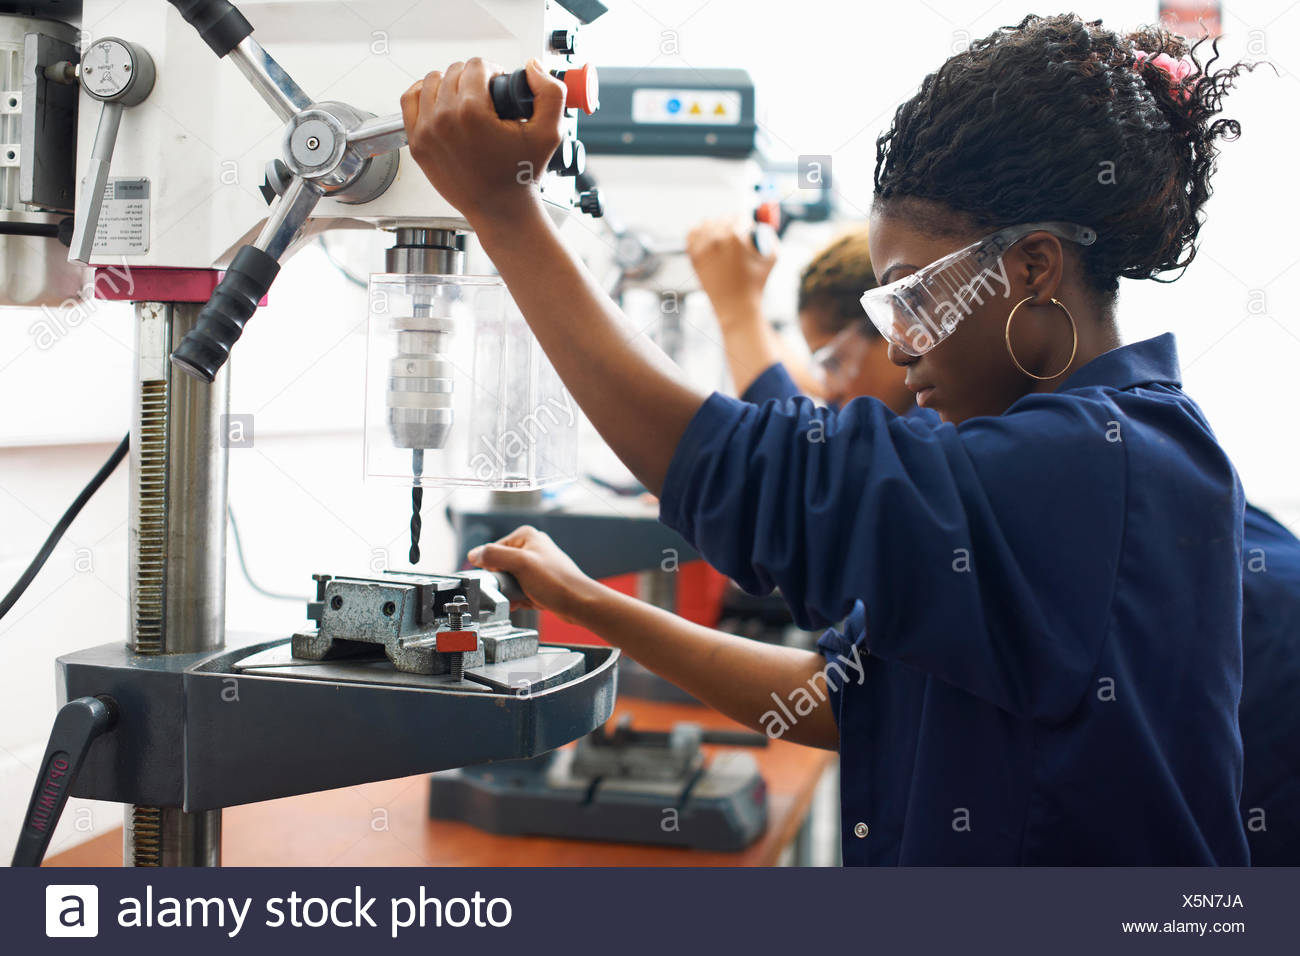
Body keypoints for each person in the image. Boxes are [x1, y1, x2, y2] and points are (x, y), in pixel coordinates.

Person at [401, 15, 1255, 863]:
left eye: (912, 297)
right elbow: (848, 697)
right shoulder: (1062, 455)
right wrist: (591, 603)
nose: (899, 349)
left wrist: (505, 212)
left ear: (1031, 267)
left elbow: (754, 477)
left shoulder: (1100, 460)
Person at [691, 222, 1300, 865]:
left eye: (834, 363)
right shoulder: (1057, 437)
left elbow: (799, 475)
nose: (834, 391)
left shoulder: (1022, 460)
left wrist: (737, 311)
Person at [686, 223, 915, 413]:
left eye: (834, 364)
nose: (829, 392)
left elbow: (799, 446)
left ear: (894, 324)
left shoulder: (929, 422)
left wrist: (737, 312)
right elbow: (800, 372)